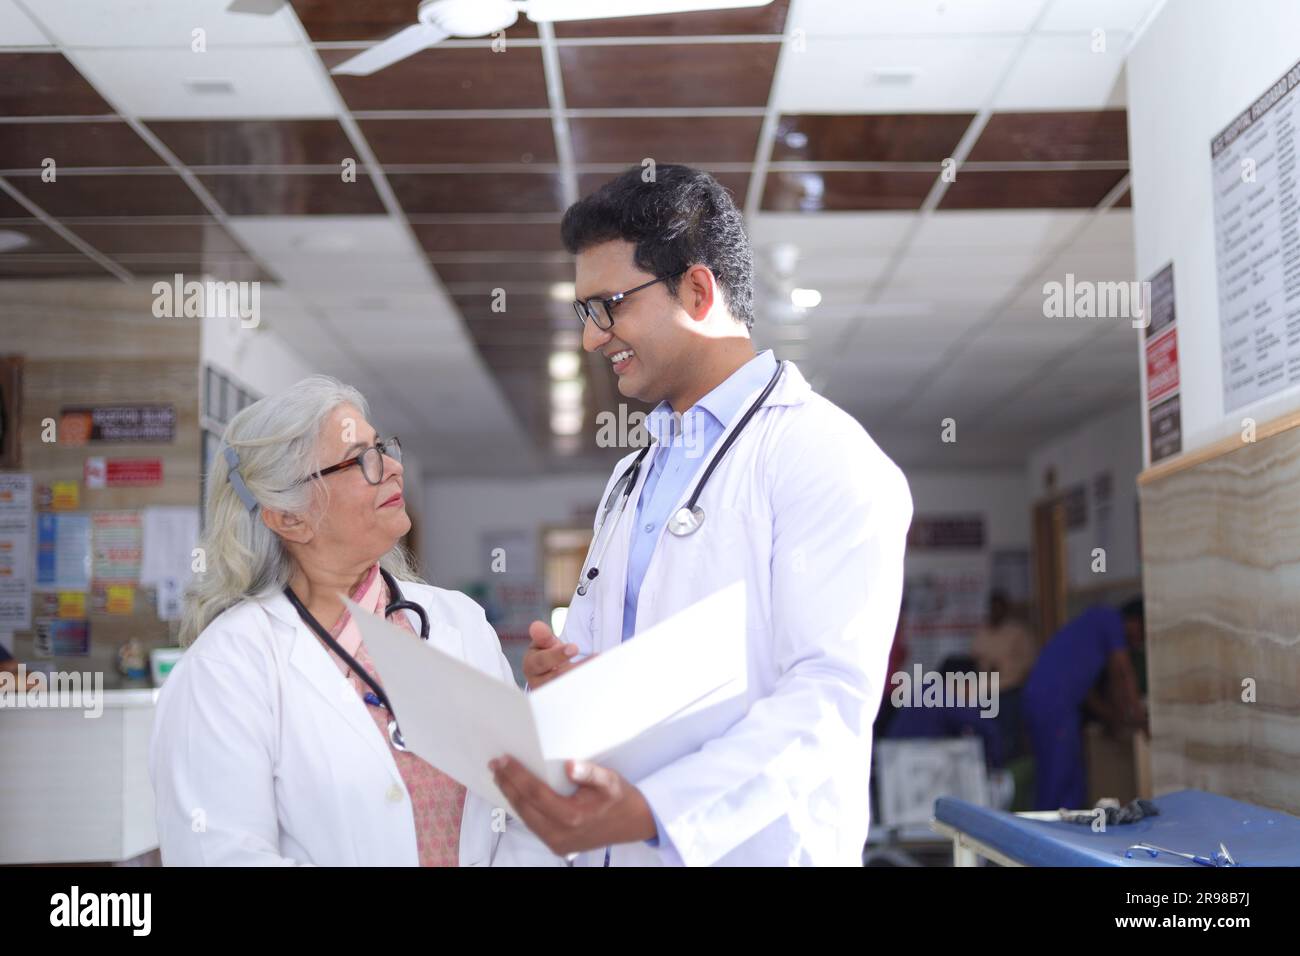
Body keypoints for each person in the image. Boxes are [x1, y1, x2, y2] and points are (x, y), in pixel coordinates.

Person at [488, 164, 913, 866]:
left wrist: (658, 809)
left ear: (697, 288)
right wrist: (569, 684)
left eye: (611, 305)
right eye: (585, 312)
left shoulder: (823, 454)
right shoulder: (633, 475)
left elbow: (829, 700)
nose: (593, 338)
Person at [149, 375, 546, 866]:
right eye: (362, 459)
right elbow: (221, 855)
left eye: (382, 447)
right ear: (288, 517)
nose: (395, 469)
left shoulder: (458, 623)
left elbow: (528, 804)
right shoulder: (225, 668)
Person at [1022, 599, 1146, 810]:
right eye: (1140, 632)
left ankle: (1065, 831)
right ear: (1133, 620)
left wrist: (1113, 718)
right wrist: (1140, 718)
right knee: (1058, 779)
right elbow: (1123, 672)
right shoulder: (1109, 619)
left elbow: (1090, 694)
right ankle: (1048, 836)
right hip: (1054, 703)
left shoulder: (1089, 634)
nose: (1138, 640)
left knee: (1071, 779)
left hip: (1051, 702)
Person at [970, 589, 1037, 760]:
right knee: (986, 733)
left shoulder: (1018, 632)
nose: (995, 612)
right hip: (986, 692)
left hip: (1010, 691)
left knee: (1010, 737)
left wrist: (1005, 667)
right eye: (992, 608)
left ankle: (1011, 772)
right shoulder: (982, 632)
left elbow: (1028, 662)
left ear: (1005, 610)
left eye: (999, 608)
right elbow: (975, 657)